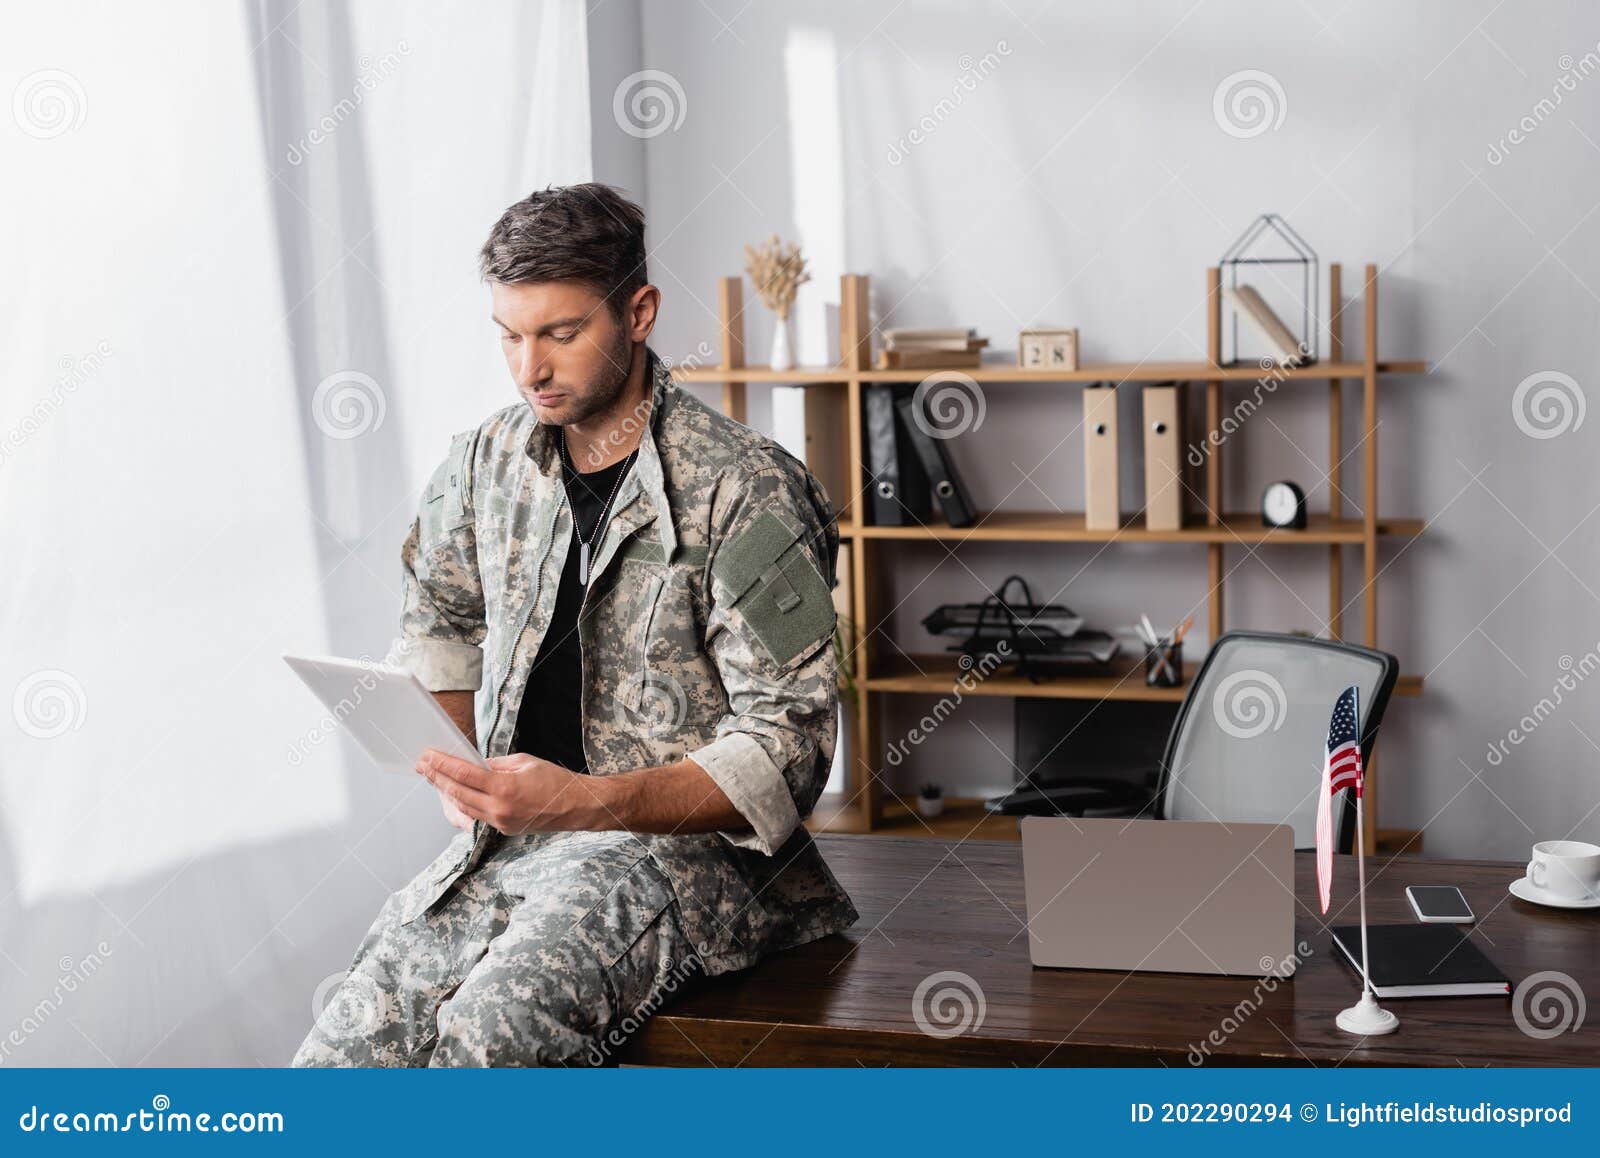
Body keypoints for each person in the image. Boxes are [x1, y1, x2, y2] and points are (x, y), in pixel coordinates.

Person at [292, 183, 856, 1067]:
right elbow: (439, 615)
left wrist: (585, 801)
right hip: (515, 842)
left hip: (690, 859)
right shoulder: (484, 461)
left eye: (559, 333)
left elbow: (792, 746)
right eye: (510, 335)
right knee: (343, 1048)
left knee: (493, 1031)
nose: (530, 369)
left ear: (639, 312)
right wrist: (457, 769)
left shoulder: (751, 491)